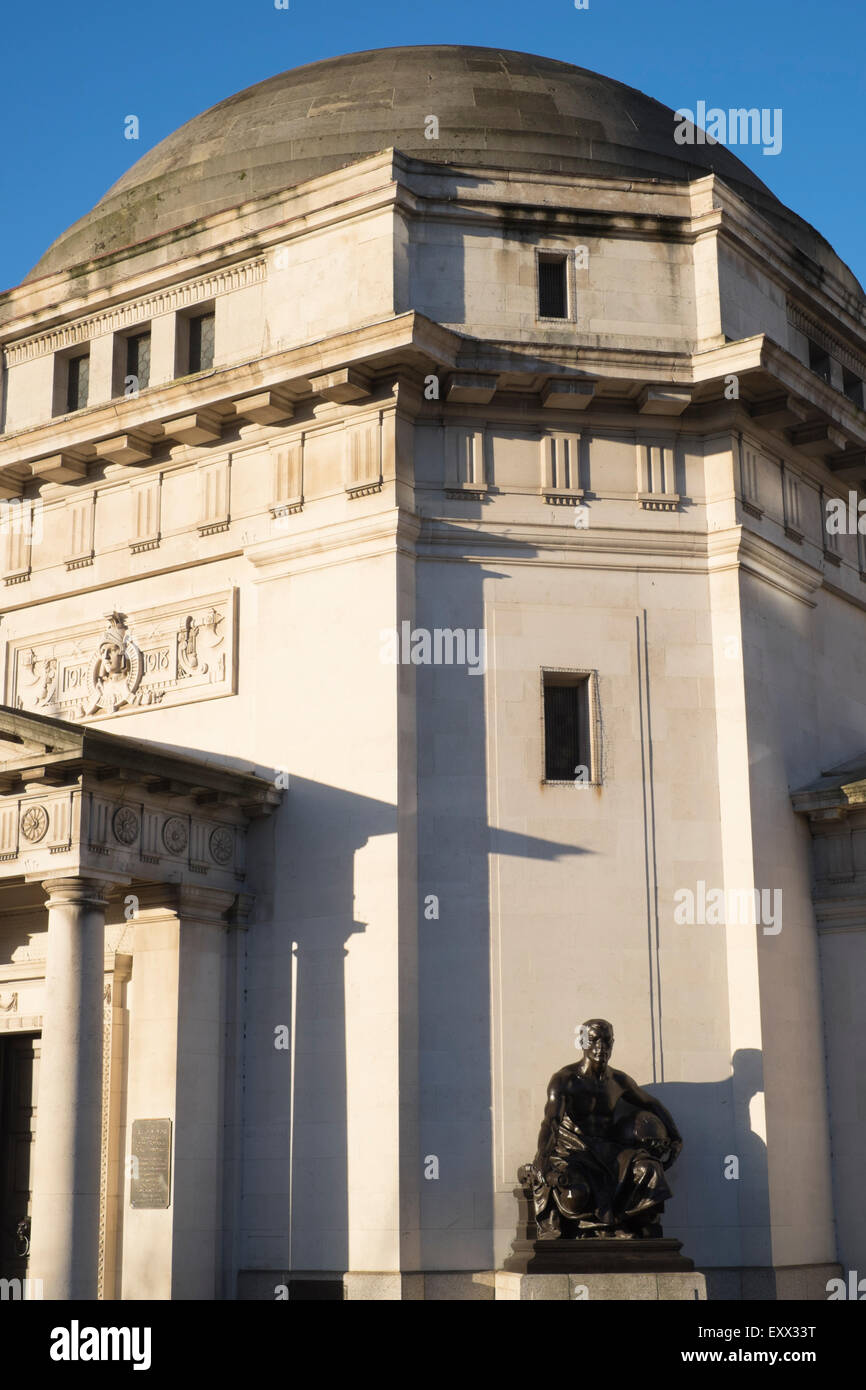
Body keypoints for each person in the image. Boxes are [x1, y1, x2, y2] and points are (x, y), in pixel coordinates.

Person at [521, 1018, 683, 1239]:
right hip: (573, 1150)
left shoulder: (618, 1080)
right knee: (576, 1194)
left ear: (612, 1043)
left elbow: (651, 1103)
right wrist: (542, 1158)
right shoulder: (564, 1080)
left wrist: (675, 1137)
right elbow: (551, 1122)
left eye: (606, 1042)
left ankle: (631, 1223)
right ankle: (609, 1227)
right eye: (594, 1041)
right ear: (582, 1043)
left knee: (649, 1169)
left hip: (608, 1149)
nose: (600, 1048)